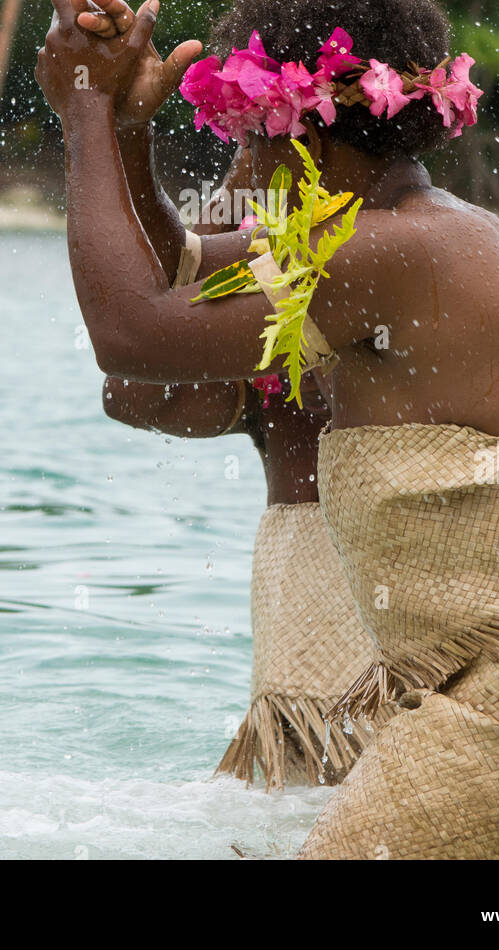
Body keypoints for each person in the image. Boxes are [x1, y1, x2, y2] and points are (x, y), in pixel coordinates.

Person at [37, 0, 499, 860]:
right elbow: (174, 275)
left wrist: (85, 115)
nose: (242, 169)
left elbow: (131, 332)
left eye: (255, 135)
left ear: (315, 133)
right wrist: (129, 134)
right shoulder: (395, 240)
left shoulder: (404, 252)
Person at [99, 105, 372, 789]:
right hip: (310, 615)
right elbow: (134, 390)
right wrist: (240, 179)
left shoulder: (418, 251)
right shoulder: (273, 289)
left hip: (424, 600)